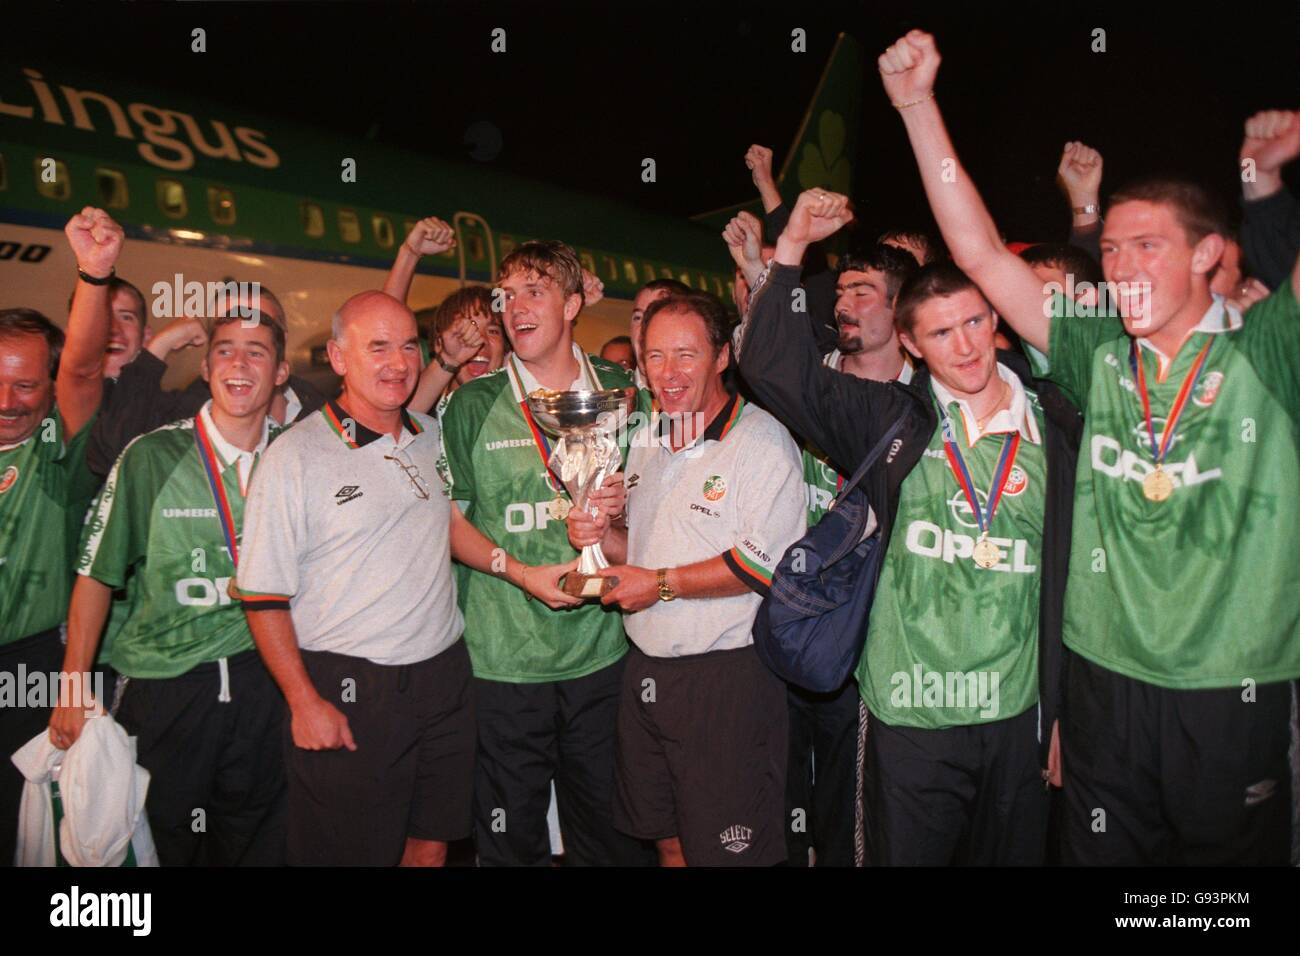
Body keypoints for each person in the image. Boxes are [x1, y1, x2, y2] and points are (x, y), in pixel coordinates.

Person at [879, 28, 1300, 864]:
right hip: (1103, 681)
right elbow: (980, 252)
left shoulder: (1268, 350)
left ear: (1208, 253)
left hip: (1227, 689)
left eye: (1148, 246)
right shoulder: (1093, 346)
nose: (1121, 264)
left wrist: (1265, 177)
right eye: (1111, 248)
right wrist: (917, 106)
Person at [739, 185, 1084, 866]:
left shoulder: (1056, 420)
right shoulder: (890, 418)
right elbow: (769, 364)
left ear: (996, 319)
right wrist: (793, 244)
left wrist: (1064, 712)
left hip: (1014, 718)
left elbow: (1078, 577)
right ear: (910, 343)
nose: (965, 347)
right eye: (939, 332)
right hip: (908, 717)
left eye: (975, 323)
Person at [237, 290, 474, 866]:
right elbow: (262, 595)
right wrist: (302, 701)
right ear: (339, 358)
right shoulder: (295, 457)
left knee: (430, 846)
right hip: (349, 687)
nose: (397, 362)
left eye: (408, 347)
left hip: (443, 677)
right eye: (377, 348)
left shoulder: (432, 438)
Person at [568, 291, 804, 866]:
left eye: (685, 355)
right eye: (654, 357)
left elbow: (758, 566)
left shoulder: (762, 442)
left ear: (722, 357)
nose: (668, 374)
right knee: (667, 839)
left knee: (729, 853)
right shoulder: (647, 438)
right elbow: (643, 553)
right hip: (647, 672)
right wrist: (599, 537)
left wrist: (661, 585)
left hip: (725, 678)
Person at [437, 239, 652, 866]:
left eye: (536, 291)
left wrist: (621, 508)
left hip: (603, 656)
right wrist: (520, 571)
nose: (516, 307)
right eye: (507, 296)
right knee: (510, 842)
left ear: (574, 303)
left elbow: (660, 515)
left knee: (609, 839)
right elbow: (447, 521)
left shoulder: (623, 391)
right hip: (505, 664)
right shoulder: (472, 403)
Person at [50, 307, 291, 866]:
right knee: (166, 844)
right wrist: (72, 683)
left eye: (257, 351)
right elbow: (95, 575)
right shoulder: (151, 456)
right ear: (205, 366)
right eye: (226, 349)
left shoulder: (298, 455)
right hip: (167, 688)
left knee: (257, 842)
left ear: (280, 372)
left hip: (266, 684)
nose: (240, 362)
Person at [728, 214, 919, 867]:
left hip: (861, 637)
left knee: (846, 804)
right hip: (787, 617)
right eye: (840, 291)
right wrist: (764, 267)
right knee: (777, 788)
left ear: (903, 310)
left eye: (864, 291)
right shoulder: (809, 375)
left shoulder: (921, 407)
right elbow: (761, 350)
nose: (844, 302)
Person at [0, 208, 120, 865]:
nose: (8, 400)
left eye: (25, 384)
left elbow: (81, 372)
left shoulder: (57, 453)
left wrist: (95, 275)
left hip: (31, 676)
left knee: (40, 843)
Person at [85, 280, 327, 477]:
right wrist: (158, 348)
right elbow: (113, 453)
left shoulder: (325, 415)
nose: (243, 334)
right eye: (226, 327)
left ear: (282, 339)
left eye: (259, 322)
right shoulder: (185, 414)